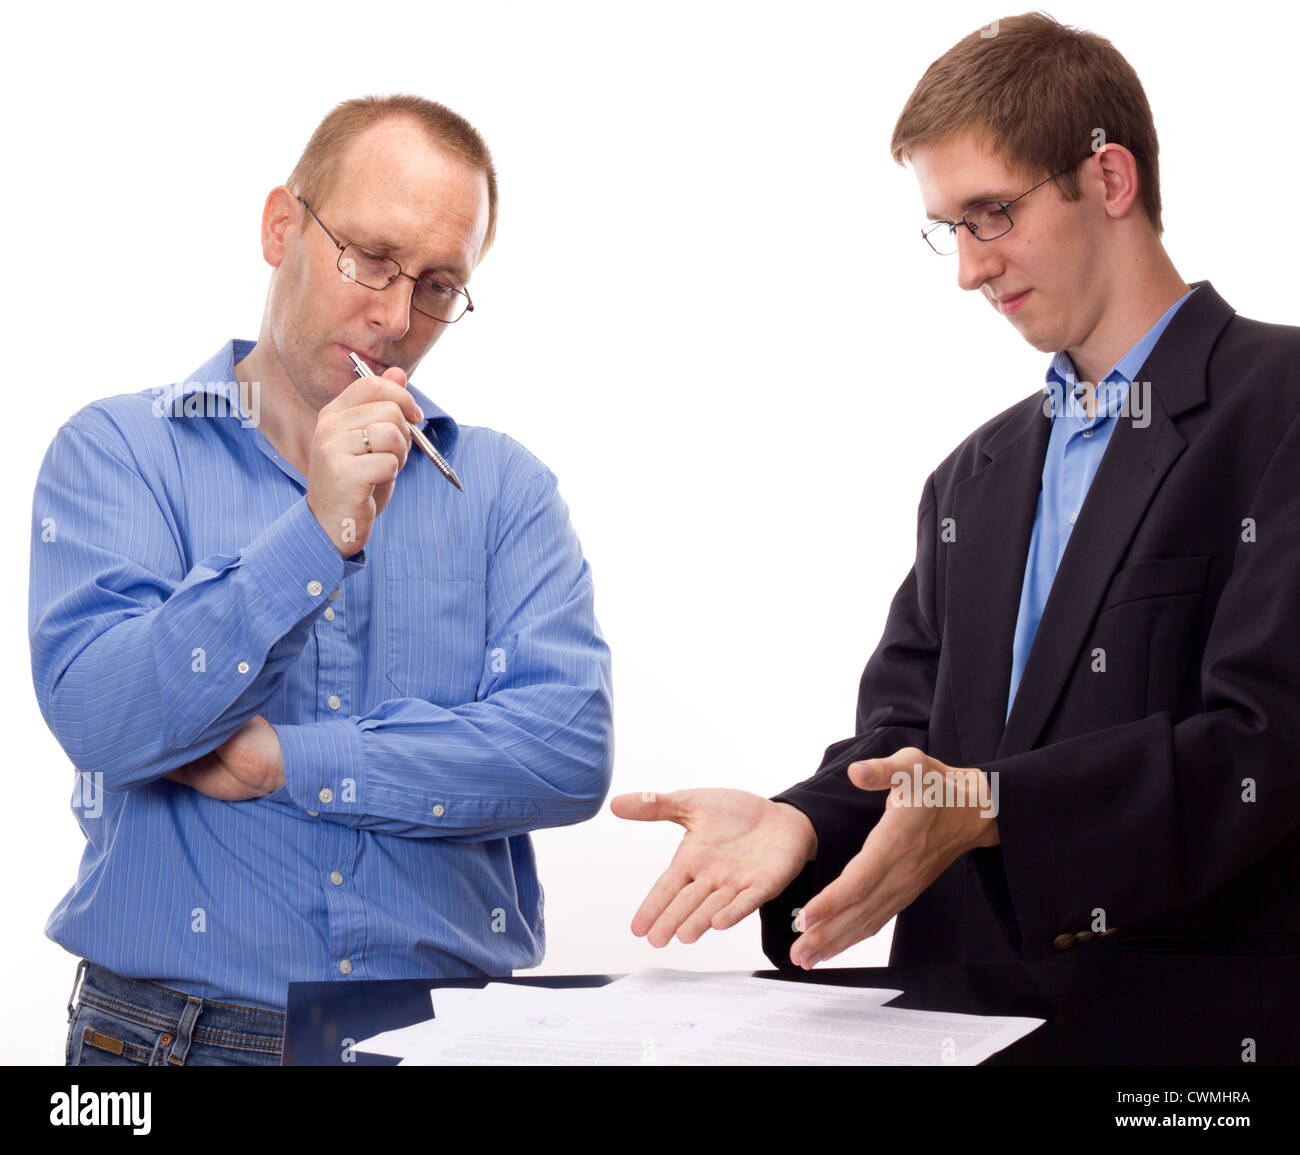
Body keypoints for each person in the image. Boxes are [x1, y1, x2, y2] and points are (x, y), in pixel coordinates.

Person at [613, 13, 1300, 1062]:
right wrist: (799, 823)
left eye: (991, 215)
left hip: (1184, 1049)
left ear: (1108, 180)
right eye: (950, 228)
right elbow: (905, 744)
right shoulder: (972, 476)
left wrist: (992, 809)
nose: (969, 270)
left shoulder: (1279, 405)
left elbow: (1270, 747)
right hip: (958, 1029)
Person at [30, 94, 613, 1066]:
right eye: (371, 258)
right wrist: (313, 534)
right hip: (173, 1042)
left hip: (446, 1040)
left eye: (436, 285)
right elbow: (103, 721)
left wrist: (288, 764)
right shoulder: (120, 453)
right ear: (281, 227)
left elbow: (563, 753)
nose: (393, 317)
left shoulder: (503, 488)